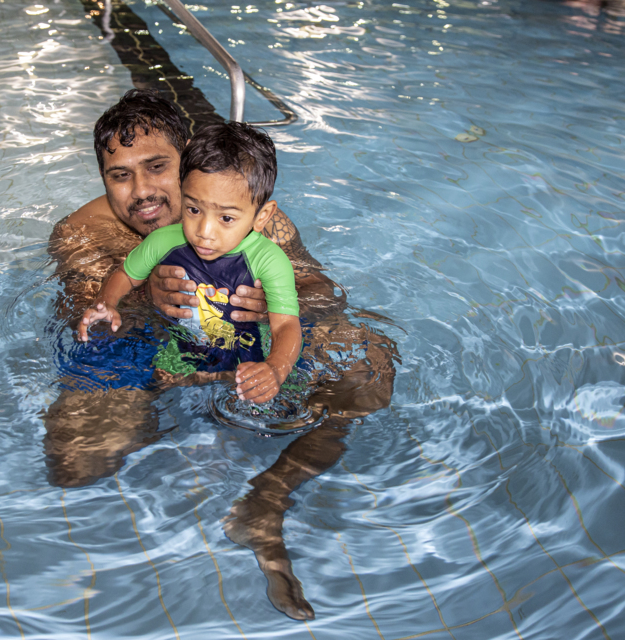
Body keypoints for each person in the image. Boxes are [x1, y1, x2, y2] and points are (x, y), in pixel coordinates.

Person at [46, 89, 397, 621]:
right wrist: (148, 302)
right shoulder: (82, 232)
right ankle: (181, 446)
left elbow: (322, 297)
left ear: (189, 160)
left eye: (157, 166)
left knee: (370, 368)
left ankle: (269, 496)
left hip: (248, 350)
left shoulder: (254, 221)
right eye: (120, 175)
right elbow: (82, 313)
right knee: (75, 461)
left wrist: (271, 310)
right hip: (153, 357)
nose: (141, 191)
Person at [77, 122, 302, 404]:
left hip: (247, 357)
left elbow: (286, 326)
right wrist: (106, 302)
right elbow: (125, 274)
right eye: (194, 209)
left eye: (226, 218)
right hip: (180, 352)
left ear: (262, 216)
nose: (204, 232)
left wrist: (276, 369)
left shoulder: (268, 260)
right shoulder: (163, 241)